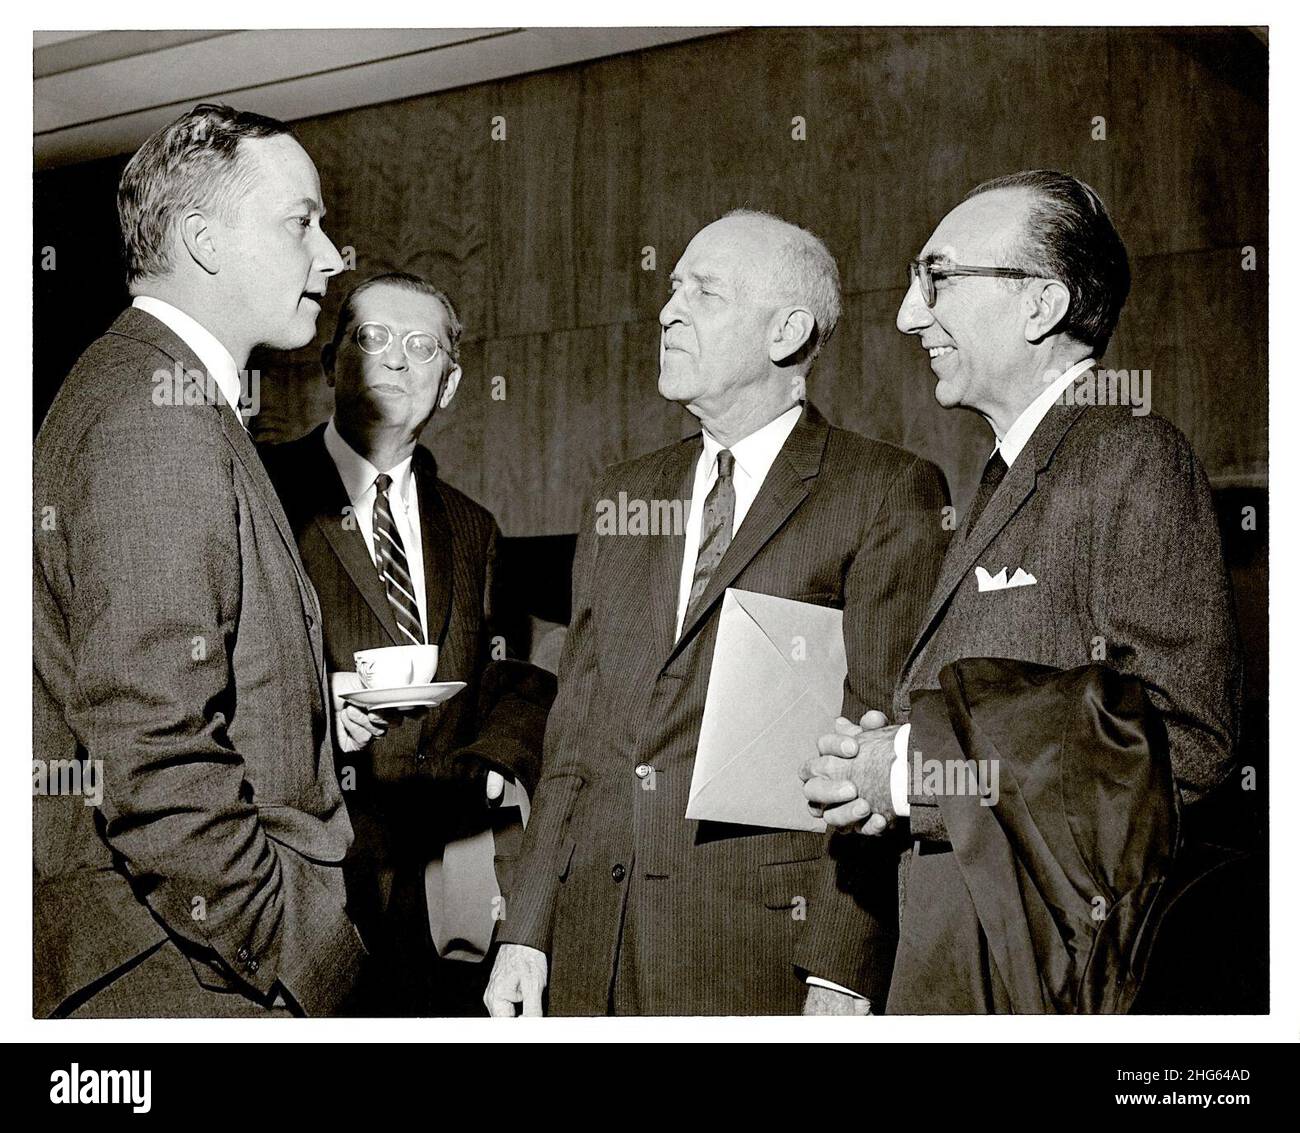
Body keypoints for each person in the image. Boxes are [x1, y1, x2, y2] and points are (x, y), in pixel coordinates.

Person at [485, 209, 948, 1016]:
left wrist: (842, 972)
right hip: (589, 944)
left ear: (786, 331)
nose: (669, 310)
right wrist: (525, 932)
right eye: (672, 289)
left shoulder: (885, 493)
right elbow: (577, 734)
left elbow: (879, 736)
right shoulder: (621, 496)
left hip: (753, 954)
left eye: (705, 291)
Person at [801, 170, 1242, 1011]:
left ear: (1041, 305)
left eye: (937, 278)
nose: (906, 314)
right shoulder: (1006, 478)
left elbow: (1186, 740)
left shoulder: (1131, 456)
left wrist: (905, 770)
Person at [34, 104, 363, 1016]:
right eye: (303, 222)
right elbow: (153, 746)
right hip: (183, 977)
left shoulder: (153, 390)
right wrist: (293, 956)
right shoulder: (156, 415)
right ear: (202, 239)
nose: (332, 256)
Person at [262, 272, 554, 1015]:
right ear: (332, 363)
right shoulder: (265, 493)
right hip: (310, 885)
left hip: (445, 893)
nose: (396, 360)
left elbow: (507, 674)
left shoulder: (473, 526)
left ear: (450, 384)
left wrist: (498, 756)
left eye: (421, 347)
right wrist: (317, 706)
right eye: (372, 339)